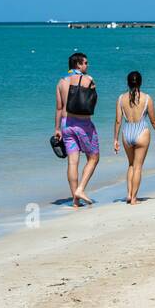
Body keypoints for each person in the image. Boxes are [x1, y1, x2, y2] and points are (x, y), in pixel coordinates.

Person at [114, 71, 155, 205]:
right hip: (141, 132)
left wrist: (115, 139)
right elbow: (154, 121)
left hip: (127, 131)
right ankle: (134, 198)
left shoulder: (120, 99)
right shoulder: (147, 98)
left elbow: (118, 121)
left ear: (128, 83)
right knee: (138, 167)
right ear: (140, 82)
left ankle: (129, 195)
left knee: (130, 165)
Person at [54, 52, 100, 207]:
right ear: (78, 65)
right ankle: (80, 190)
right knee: (93, 158)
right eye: (85, 63)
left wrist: (57, 129)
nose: (87, 65)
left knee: (72, 163)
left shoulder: (61, 82)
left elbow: (59, 108)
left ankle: (75, 201)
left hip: (66, 125)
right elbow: (93, 101)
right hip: (83, 125)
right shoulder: (88, 80)